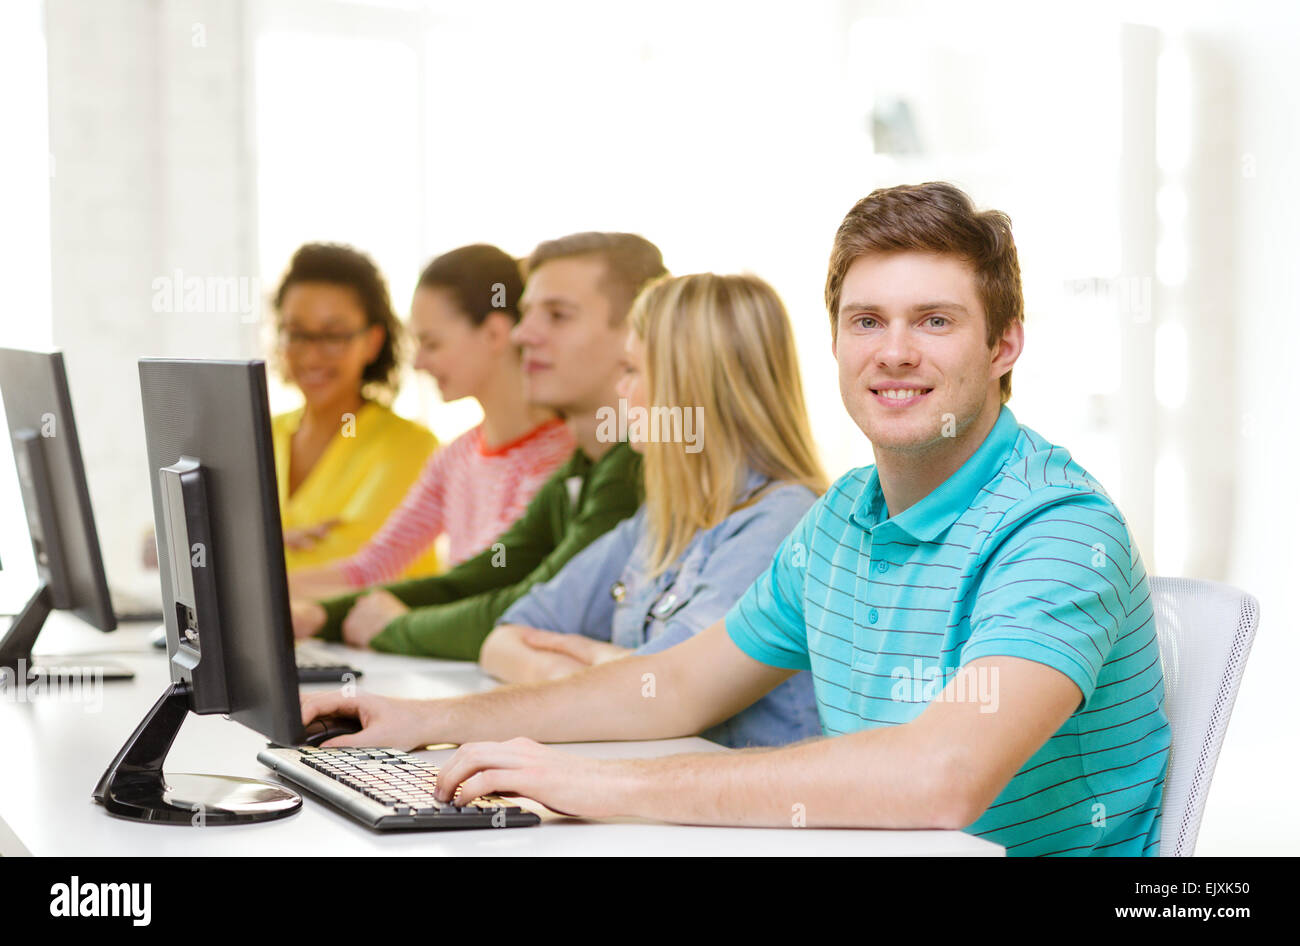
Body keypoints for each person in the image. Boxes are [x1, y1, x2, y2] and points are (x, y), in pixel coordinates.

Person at [302, 183, 1172, 857]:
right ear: (834, 341)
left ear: (1004, 345)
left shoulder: (1058, 529)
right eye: (866, 320)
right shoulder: (845, 517)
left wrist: (596, 785)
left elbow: (937, 777)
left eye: (935, 321)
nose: (895, 351)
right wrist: (424, 724)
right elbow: (676, 686)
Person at [480, 273, 827, 749]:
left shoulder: (781, 522)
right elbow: (506, 635)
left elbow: (669, 692)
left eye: (631, 370)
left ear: (689, 388)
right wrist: (590, 671)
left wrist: (610, 675)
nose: (620, 391)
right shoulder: (662, 519)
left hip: (754, 813)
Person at [291, 232, 666, 659]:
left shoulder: (633, 466)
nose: (522, 335)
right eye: (526, 314)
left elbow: (526, 610)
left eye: (558, 316)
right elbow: (475, 579)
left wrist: (394, 628)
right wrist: (322, 616)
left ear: (636, 333)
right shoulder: (582, 466)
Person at [288, 245, 574, 600]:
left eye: (432, 343)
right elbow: (371, 568)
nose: (419, 363)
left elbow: (486, 590)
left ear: (495, 334)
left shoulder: (556, 460)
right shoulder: (454, 458)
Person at [271, 242, 437, 574]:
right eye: (297, 334)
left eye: (334, 336)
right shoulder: (257, 433)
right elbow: (184, 541)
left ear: (372, 342)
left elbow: (352, 570)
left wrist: (253, 546)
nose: (312, 355)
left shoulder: (410, 447)